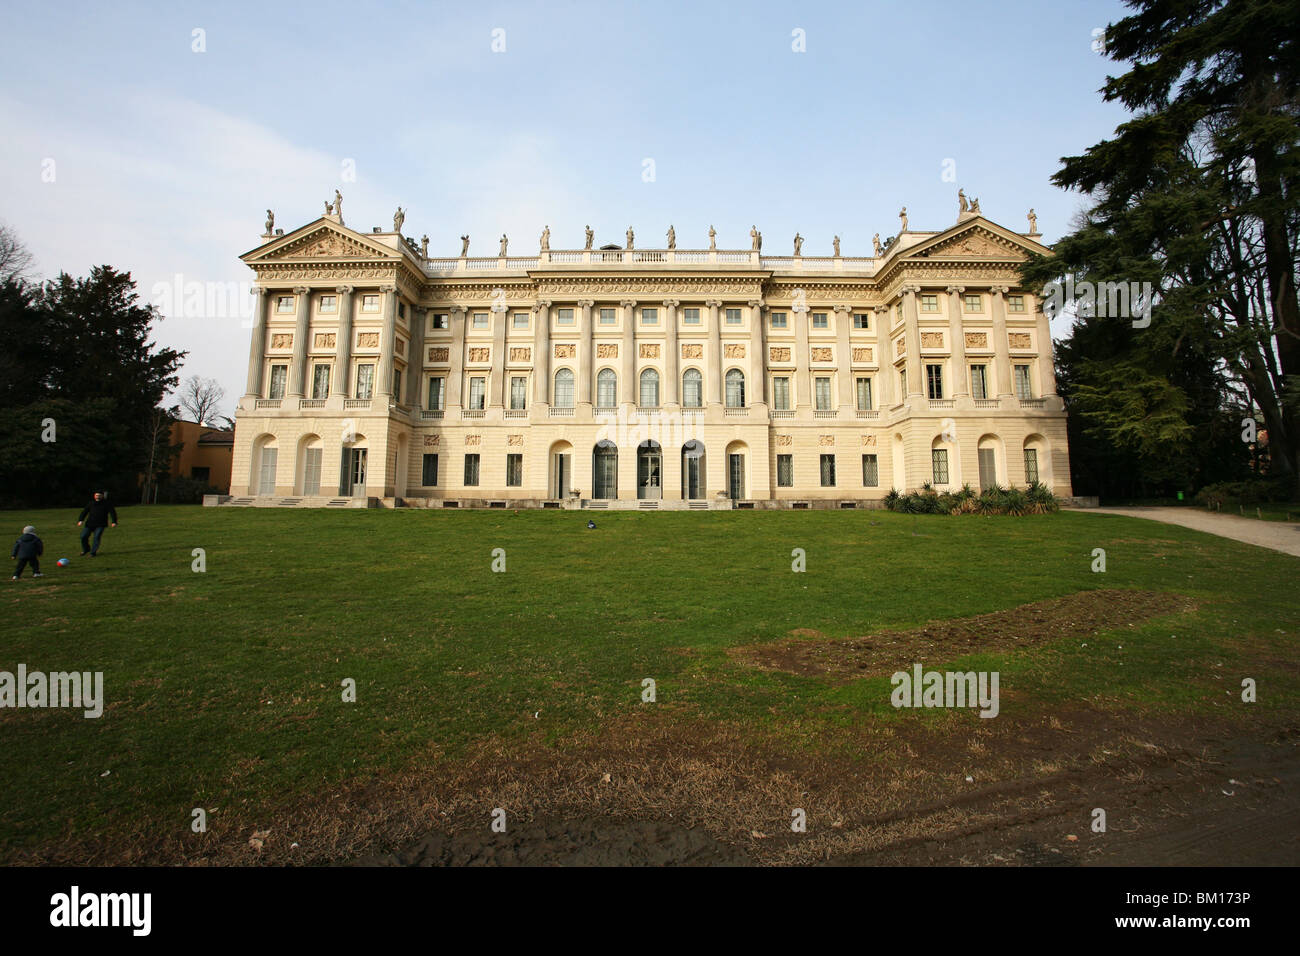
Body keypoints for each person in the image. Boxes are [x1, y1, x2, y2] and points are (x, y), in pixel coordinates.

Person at [77, 491, 118, 557]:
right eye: (96, 495)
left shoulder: (107, 504)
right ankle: (86, 549)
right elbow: (84, 512)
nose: (98, 497)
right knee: (83, 536)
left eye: (99, 495)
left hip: (101, 524)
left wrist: (114, 522)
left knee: (96, 537)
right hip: (89, 524)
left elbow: (112, 513)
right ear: (94, 496)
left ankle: (93, 553)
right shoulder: (91, 503)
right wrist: (80, 520)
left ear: (102, 496)